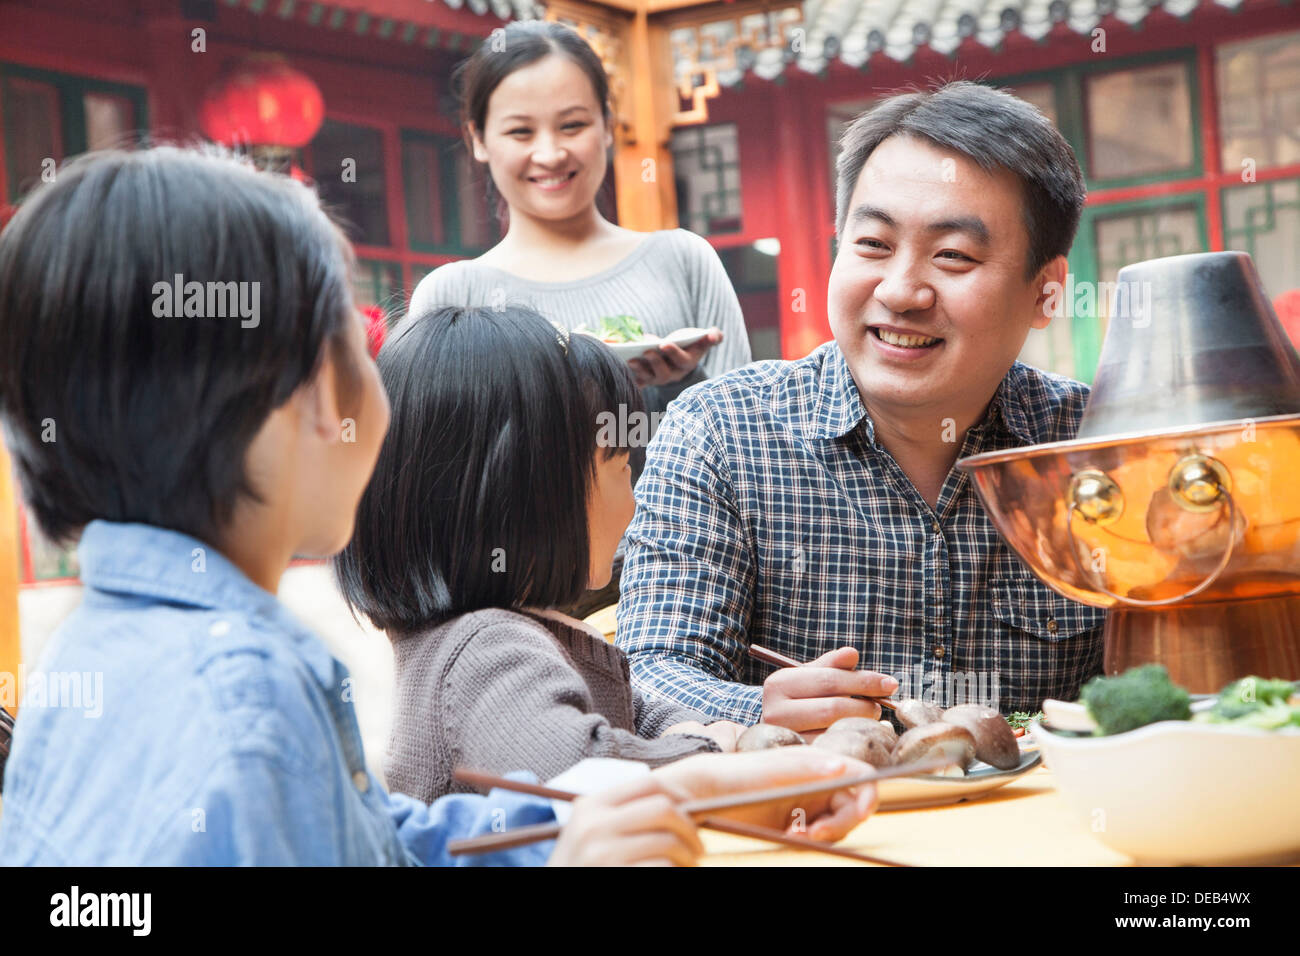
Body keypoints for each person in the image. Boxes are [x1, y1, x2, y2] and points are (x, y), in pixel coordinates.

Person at [0, 146, 875, 866]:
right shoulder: (240, 688)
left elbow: (382, 842)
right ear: (301, 403)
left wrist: (612, 818)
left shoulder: (110, 646)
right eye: (356, 343)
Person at [616, 82, 1109, 735]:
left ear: (1046, 292)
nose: (901, 291)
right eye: (873, 244)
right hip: (814, 825)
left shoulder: (1093, 444)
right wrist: (759, 711)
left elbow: (1183, 686)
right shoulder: (720, 431)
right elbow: (648, 675)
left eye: (953, 256)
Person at [333, 304, 746, 804]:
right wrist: (705, 750)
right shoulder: (488, 648)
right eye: (619, 469)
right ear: (526, 493)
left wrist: (718, 724)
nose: (634, 499)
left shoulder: (521, 632)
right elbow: (577, 773)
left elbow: (638, 712)